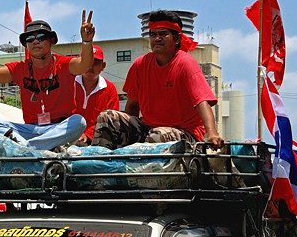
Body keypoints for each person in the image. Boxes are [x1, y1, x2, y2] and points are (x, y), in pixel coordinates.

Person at [0, 14, 96, 150]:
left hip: (58, 128)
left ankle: (27, 149)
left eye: (41, 37)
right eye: (30, 38)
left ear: (51, 41)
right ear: (26, 45)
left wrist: (87, 42)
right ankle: (33, 147)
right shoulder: (19, 69)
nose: (35, 41)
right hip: (30, 129)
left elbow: (85, 64)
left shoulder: (64, 64)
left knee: (79, 122)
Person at [92, 9, 223, 150]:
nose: (157, 38)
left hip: (185, 134)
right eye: (153, 34)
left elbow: (202, 102)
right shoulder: (140, 64)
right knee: (107, 117)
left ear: (177, 38)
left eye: (163, 34)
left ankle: (142, 169)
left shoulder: (186, 64)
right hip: (148, 129)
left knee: (157, 135)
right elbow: (132, 106)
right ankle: (100, 164)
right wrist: (127, 133)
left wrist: (212, 134)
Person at [72, 45, 119, 144]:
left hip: (99, 138)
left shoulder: (109, 89)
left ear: (103, 66)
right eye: (87, 62)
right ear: (79, 63)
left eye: (96, 63)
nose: (90, 66)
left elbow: (112, 121)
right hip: (69, 134)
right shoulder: (69, 84)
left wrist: (87, 134)